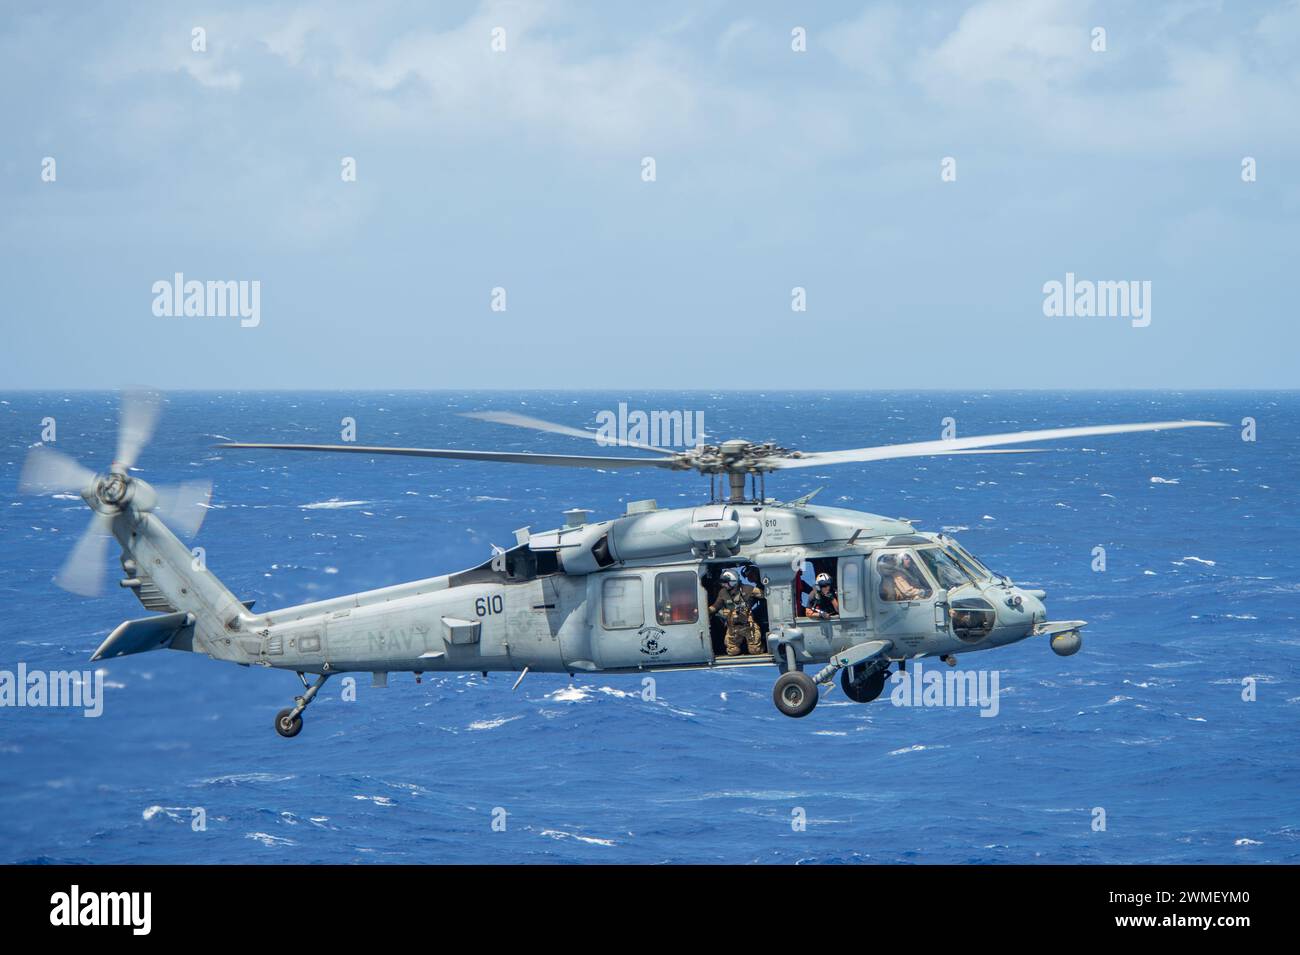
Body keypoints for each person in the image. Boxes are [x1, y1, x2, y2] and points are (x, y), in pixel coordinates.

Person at [709, 568, 765, 656]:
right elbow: (715, 607)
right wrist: (706, 611)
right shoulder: (723, 593)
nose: (723, 585)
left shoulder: (748, 589)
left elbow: (766, 595)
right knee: (732, 651)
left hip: (748, 626)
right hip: (733, 628)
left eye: (725, 582)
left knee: (755, 650)